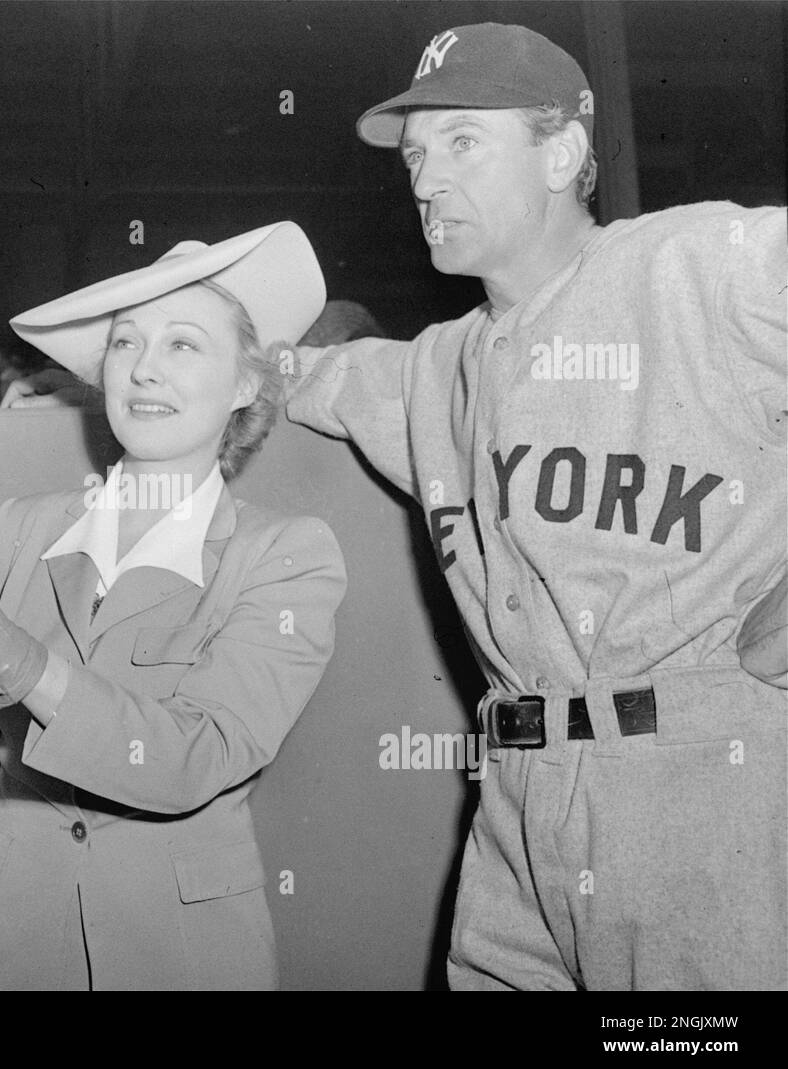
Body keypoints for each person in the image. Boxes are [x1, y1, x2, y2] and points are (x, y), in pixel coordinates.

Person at [280, 23, 785, 989]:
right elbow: (290, 376)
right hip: (516, 808)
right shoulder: (438, 367)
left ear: (563, 154)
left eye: (463, 141)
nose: (425, 180)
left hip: (704, 790)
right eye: (418, 156)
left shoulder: (699, 266)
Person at [0, 222, 348, 990]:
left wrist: (15, 655)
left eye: (183, 345)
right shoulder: (24, 526)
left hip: (181, 960)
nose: (144, 371)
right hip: (7, 951)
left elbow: (197, 755)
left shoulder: (285, 554)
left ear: (244, 385)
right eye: (127, 344)